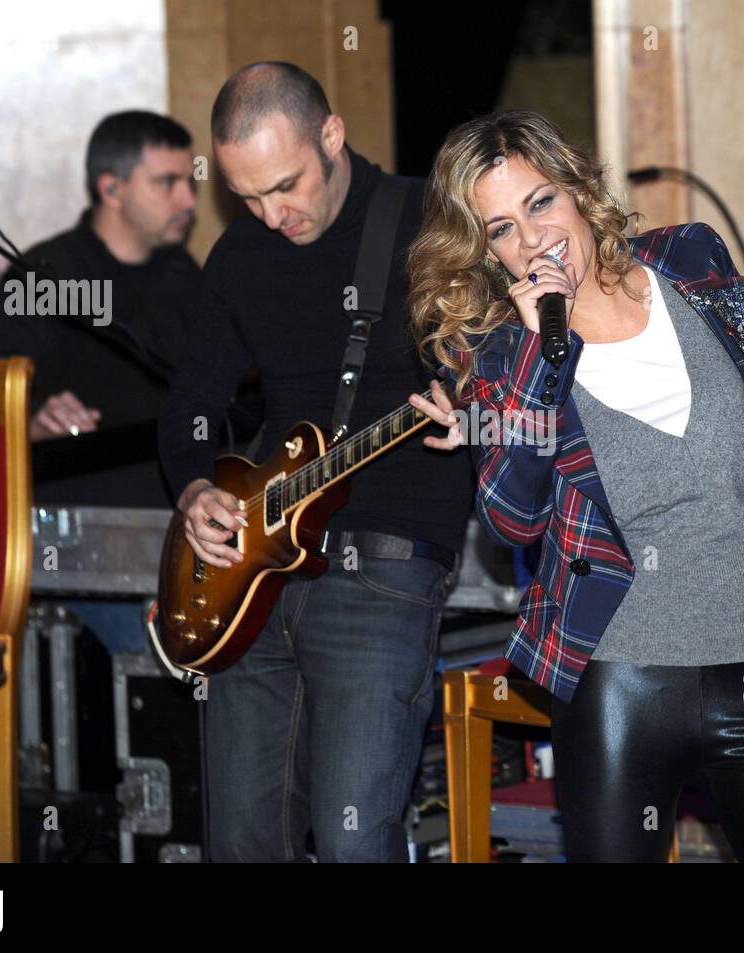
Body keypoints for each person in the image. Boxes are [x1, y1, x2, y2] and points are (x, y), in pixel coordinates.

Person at [407, 110, 744, 862]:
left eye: (541, 203)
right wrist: (546, 357)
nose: (533, 240)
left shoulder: (689, 259)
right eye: (501, 229)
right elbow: (512, 517)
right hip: (622, 681)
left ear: (577, 189)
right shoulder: (500, 353)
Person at [157, 62, 474, 862]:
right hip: (257, 571)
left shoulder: (429, 226)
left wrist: (482, 405)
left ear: (332, 136)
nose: (272, 214)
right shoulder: (239, 256)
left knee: (353, 840)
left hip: (385, 559)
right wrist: (196, 486)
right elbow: (190, 403)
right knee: (239, 843)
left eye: (286, 185)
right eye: (248, 196)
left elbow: (502, 363)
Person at [0, 110, 202, 654]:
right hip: (79, 540)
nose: (188, 201)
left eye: (188, 182)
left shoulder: (183, 275)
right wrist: (31, 422)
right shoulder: (44, 276)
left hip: (180, 522)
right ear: (112, 188)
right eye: (167, 183)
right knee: (166, 651)